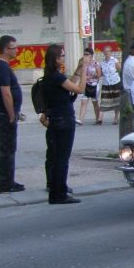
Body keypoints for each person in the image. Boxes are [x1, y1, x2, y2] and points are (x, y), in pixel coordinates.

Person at [41, 44, 87, 205]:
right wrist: (86, 69)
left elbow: (69, 86)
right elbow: (79, 89)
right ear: (55, 58)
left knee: (58, 157)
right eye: (62, 56)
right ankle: (58, 193)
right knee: (62, 158)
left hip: (57, 118)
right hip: (64, 119)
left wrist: (79, 69)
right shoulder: (56, 77)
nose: (64, 58)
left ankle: (57, 189)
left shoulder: (51, 76)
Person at [0, 35, 24, 194]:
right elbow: (6, 93)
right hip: (4, 114)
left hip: (5, 112)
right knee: (7, 148)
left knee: (10, 148)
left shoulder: (3, 66)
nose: (17, 50)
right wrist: (11, 114)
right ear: (5, 49)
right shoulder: (1, 67)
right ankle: (5, 183)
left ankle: (9, 180)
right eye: (14, 48)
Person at [76, 47, 103, 125]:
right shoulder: (83, 64)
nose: (85, 56)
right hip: (85, 85)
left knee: (95, 103)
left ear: (91, 55)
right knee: (83, 101)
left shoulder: (96, 64)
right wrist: (89, 76)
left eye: (87, 54)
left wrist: (89, 77)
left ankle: (98, 118)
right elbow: (81, 75)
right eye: (84, 54)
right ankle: (80, 119)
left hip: (94, 85)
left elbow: (99, 75)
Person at [99, 45, 122, 125]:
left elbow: (120, 70)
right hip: (106, 83)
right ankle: (100, 118)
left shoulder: (114, 61)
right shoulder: (102, 63)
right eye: (105, 52)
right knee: (103, 101)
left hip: (115, 82)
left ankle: (116, 118)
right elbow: (100, 74)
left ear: (111, 52)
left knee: (116, 100)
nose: (107, 53)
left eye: (108, 51)